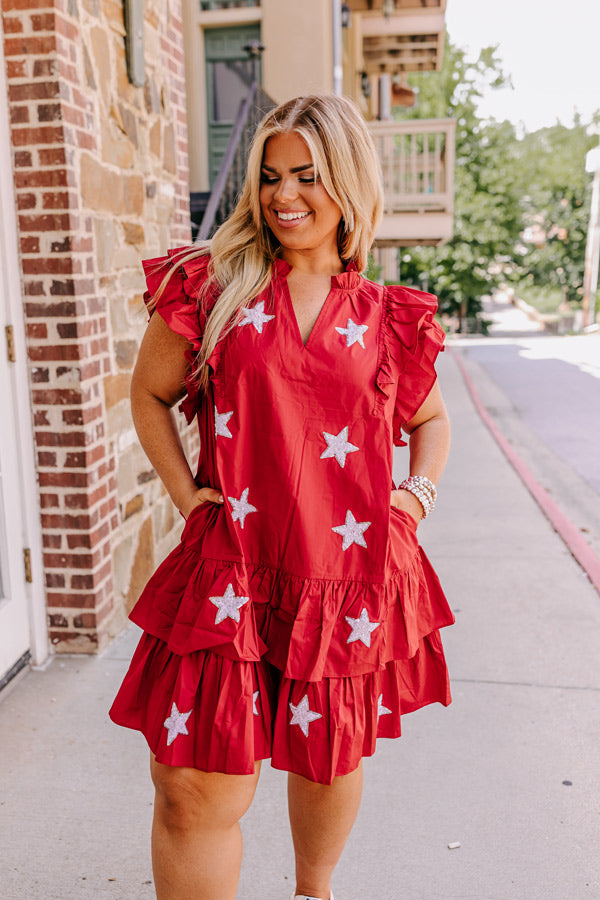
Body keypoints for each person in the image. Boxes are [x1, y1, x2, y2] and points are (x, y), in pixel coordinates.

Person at [109, 93, 454, 900]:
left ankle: (314, 890)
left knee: (328, 752)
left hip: (343, 578)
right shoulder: (213, 286)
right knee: (190, 790)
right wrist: (186, 493)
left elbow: (430, 419)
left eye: (307, 175)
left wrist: (416, 496)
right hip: (230, 569)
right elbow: (148, 396)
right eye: (270, 177)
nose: (284, 195)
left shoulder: (388, 316)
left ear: (349, 184)